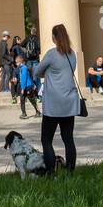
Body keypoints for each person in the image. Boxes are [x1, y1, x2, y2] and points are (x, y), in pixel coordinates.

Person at [36, 23, 81, 175]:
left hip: (53, 104)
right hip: (69, 102)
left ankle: (50, 171)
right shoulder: (72, 54)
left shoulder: (51, 54)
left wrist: (47, 72)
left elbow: (37, 71)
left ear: (54, 38)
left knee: (46, 139)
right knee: (68, 138)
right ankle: (70, 170)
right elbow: (68, 71)